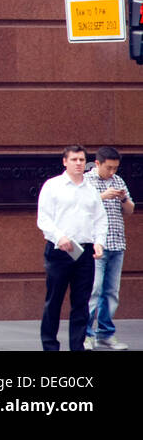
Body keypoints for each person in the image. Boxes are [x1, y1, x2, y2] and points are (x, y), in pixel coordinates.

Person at [36, 145, 108, 351]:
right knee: (54, 301)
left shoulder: (91, 190)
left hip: (84, 253)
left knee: (81, 303)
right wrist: (59, 237)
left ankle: (78, 346)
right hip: (59, 252)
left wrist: (99, 242)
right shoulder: (53, 186)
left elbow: (100, 220)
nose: (79, 163)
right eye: (74, 159)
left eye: (82, 160)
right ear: (65, 162)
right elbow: (44, 219)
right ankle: (50, 346)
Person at [86, 146, 134, 349]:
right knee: (94, 290)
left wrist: (123, 198)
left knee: (112, 291)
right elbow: (80, 207)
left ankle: (105, 333)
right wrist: (103, 196)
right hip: (97, 244)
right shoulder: (87, 182)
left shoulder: (118, 180)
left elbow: (131, 210)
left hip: (117, 243)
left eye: (115, 168)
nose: (112, 172)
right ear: (97, 163)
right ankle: (86, 334)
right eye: (109, 167)